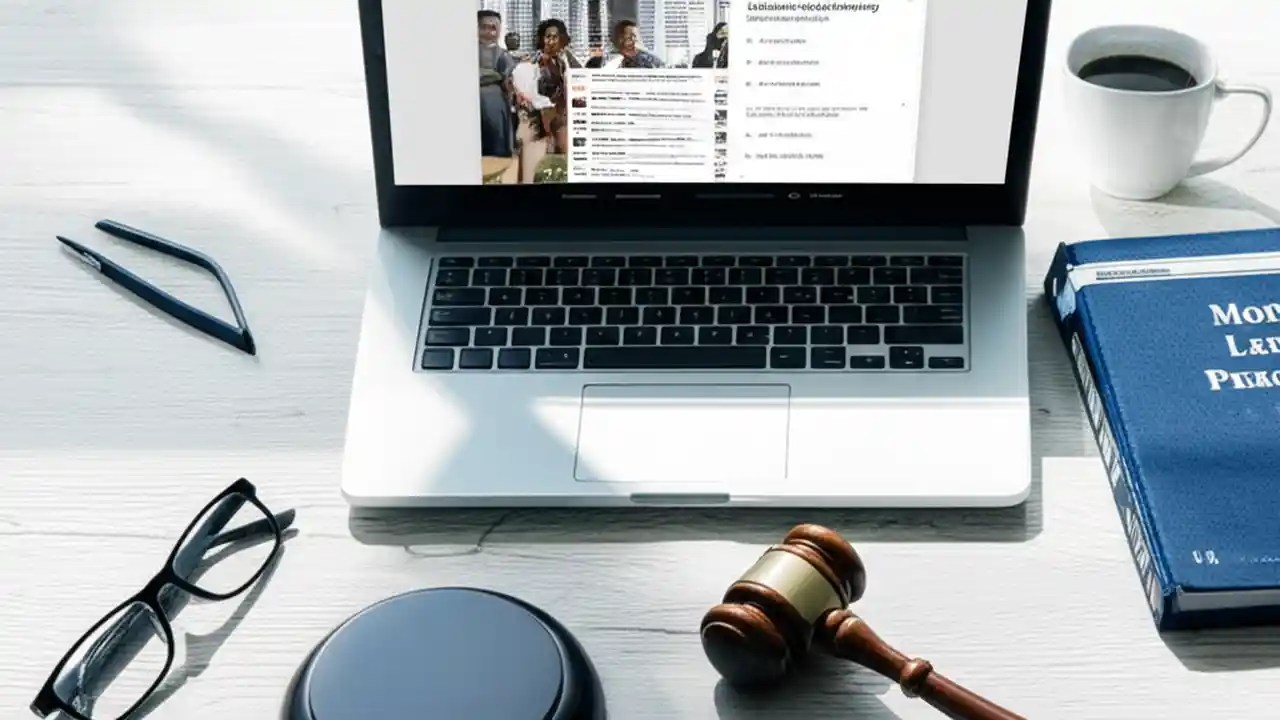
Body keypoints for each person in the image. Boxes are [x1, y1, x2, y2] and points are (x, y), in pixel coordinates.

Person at [477, 10, 516, 158]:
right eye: (483, 27)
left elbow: (510, 76)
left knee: (497, 142)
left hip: (496, 104)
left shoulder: (502, 54)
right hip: (473, 103)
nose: (488, 32)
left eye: (493, 28)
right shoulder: (467, 52)